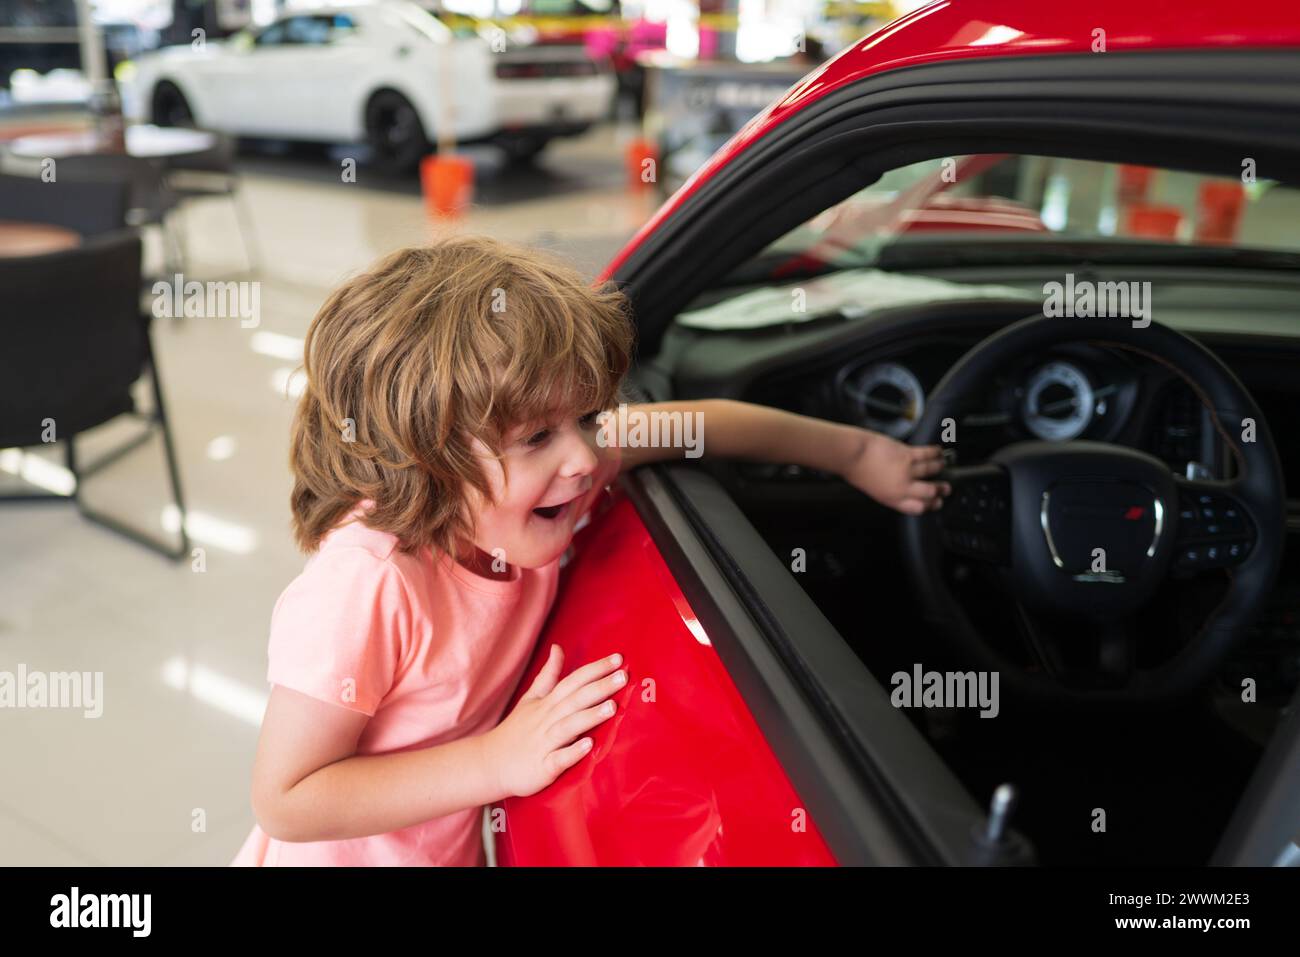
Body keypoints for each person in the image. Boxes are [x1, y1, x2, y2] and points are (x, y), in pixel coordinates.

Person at [232, 233, 949, 866]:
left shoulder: (554, 469)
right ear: (430, 460)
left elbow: (701, 426)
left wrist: (856, 453)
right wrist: (496, 761)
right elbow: (288, 797)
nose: (583, 456)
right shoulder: (372, 581)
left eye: (588, 416)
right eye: (539, 436)